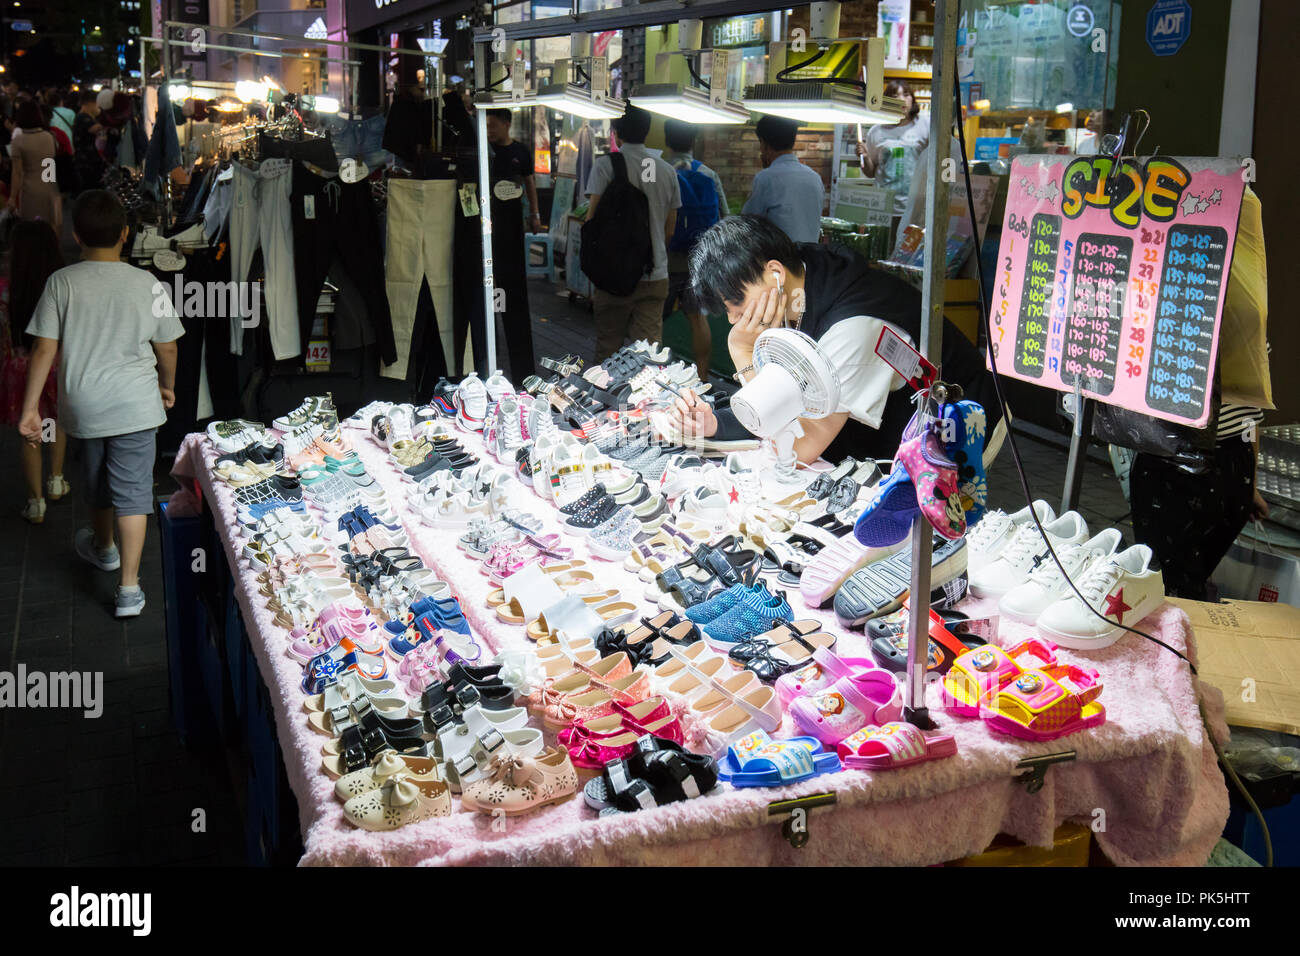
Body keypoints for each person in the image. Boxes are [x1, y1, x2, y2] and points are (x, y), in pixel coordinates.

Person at [667, 215, 1002, 464]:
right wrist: (715, 422)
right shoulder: (800, 274)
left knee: (932, 526)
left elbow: (800, 449)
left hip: (957, 423)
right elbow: (783, 407)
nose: (733, 320)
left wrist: (741, 352)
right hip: (865, 424)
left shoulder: (854, 329)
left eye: (736, 304)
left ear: (775, 273)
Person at [19, 190, 184, 618]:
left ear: (76, 234)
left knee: (96, 484)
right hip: (136, 404)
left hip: (85, 406)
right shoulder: (147, 283)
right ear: (126, 234)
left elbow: (43, 350)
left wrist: (30, 408)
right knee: (133, 493)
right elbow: (167, 347)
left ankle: (105, 548)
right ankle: (129, 589)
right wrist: (167, 387)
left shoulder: (62, 282)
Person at [584, 104, 681, 360]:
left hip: (613, 276)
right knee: (648, 356)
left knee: (608, 351)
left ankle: (605, 400)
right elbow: (670, 229)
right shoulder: (667, 171)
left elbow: (591, 220)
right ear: (647, 131)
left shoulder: (605, 166)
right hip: (654, 274)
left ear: (615, 131)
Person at [1, 220, 68, 524]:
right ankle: (55, 480)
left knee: (30, 433)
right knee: (54, 421)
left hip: (19, 367)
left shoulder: (5, 288)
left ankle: (35, 502)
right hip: (55, 364)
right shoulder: (60, 286)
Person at [661, 119, 728, 382]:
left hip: (666, 260)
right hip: (699, 262)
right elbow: (724, 217)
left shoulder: (661, 172)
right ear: (694, 141)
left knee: (653, 320)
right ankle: (702, 377)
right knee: (698, 319)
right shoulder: (709, 174)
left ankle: (650, 376)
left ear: (667, 140)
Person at [742, 116, 825, 244]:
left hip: (779, 260)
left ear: (764, 145)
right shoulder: (814, 178)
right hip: (810, 259)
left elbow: (747, 225)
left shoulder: (766, 178)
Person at [856, 81, 929, 221]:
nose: (901, 100)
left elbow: (942, 161)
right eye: (895, 96)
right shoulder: (876, 131)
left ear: (912, 99)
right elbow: (870, 172)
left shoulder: (925, 126)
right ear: (887, 101)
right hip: (883, 208)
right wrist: (865, 157)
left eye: (906, 94)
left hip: (915, 207)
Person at [8, 99, 61, 232]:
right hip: (50, 186)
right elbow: (50, 162)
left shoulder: (18, 141)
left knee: (31, 229)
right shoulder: (49, 136)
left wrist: (12, 197)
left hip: (30, 189)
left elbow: (17, 172)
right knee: (50, 226)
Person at [72, 90, 105, 194]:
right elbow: (95, 129)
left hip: (90, 162)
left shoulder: (88, 117)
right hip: (87, 163)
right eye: (97, 105)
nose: (98, 108)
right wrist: (110, 120)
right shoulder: (82, 117)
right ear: (90, 103)